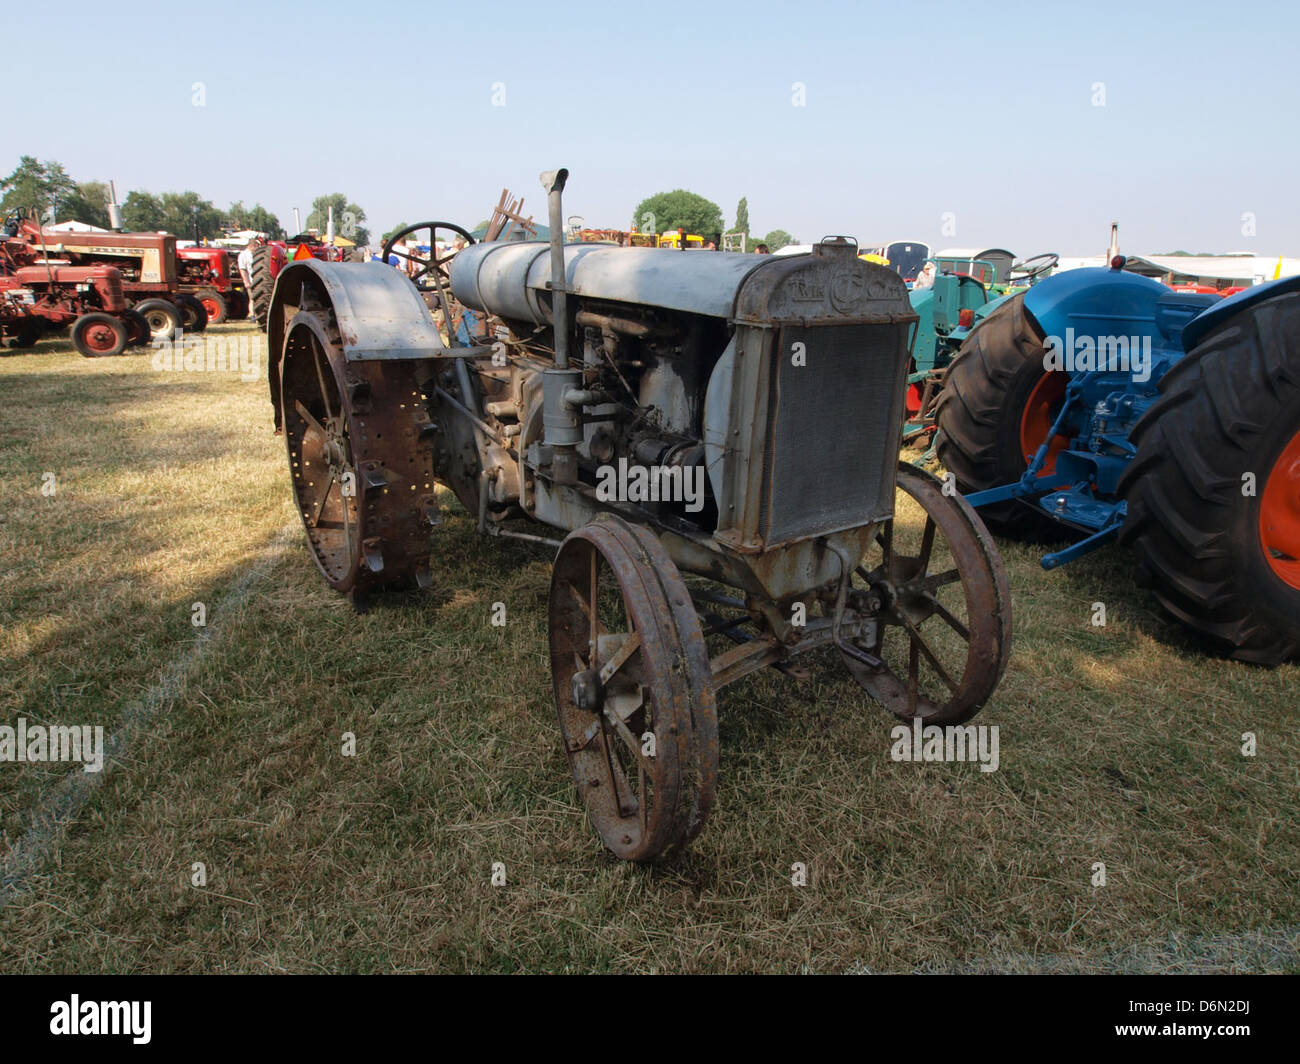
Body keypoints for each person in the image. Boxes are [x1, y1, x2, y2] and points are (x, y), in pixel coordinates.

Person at [236, 238, 259, 320]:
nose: (257, 248)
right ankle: (253, 315)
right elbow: (243, 269)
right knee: (252, 298)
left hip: (259, 280)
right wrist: (246, 281)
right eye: (256, 246)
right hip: (250, 280)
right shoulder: (243, 255)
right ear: (251, 246)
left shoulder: (257, 253)